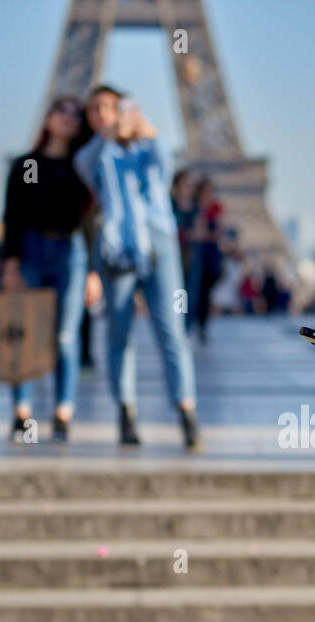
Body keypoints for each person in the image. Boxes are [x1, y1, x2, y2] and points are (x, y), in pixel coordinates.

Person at [74, 86, 201, 450]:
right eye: (93, 109)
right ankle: (126, 412)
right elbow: (87, 173)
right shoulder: (92, 153)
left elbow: (163, 173)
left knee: (171, 330)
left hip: (156, 240)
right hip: (115, 246)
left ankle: (186, 410)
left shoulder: (148, 147)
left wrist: (148, 130)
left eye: (108, 107)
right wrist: (107, 138)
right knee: (118, 331)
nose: (101, 114)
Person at [0, 93, 96, 443]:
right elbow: (13, 216)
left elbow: (90, 222)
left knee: (65, 337)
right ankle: (22, 412)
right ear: (48, 117)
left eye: (76, 113)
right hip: (32, 250)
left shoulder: (83, 166)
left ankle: (63, 411)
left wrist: (92, 270)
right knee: (25, 335)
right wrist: (10, 263)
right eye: (61, 110)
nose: (68, 117)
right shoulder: (27, 165)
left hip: (71, 250)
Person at [186, 176, 224, 344]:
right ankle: (185, 324)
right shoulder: (194, 209)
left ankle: (201, 325)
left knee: (205, 293)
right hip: (194, 254)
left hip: (209, 256)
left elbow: (218, 233)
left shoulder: (214, 210)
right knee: (189, 291)